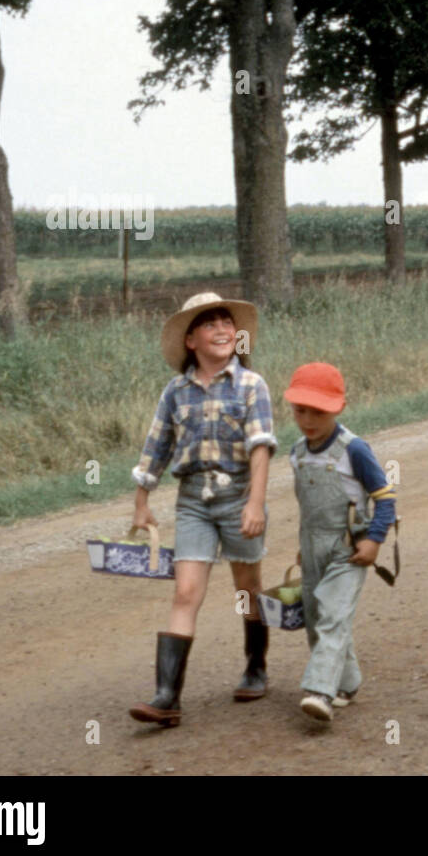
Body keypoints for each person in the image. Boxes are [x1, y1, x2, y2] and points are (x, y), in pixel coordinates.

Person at [128, 292, 278, 727]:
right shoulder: (176, 392)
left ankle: (255, 666)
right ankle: (167, 697)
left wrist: (255, 504)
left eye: (226, 322)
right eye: (209, 324)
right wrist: (141, 502)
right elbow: (157, 446)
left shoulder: (251, 385)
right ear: (190, 340)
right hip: (193, 501)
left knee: (246, 588)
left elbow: (261, 447)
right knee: (185, 592)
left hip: (238, 498)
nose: (222, 329)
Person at [283, 362, 397, 721]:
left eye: (318, 412)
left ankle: (320, 691)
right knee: (317, 618)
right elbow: (308, 506)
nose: (308, 420)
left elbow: (385, 497)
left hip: (348, 550)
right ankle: (347, 683)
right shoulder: (297, 453)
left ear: (339, 408)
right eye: (300, 411)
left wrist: (375, 539)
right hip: (312, 547)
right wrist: (304, 547)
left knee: (333, 616)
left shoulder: (354, 450)